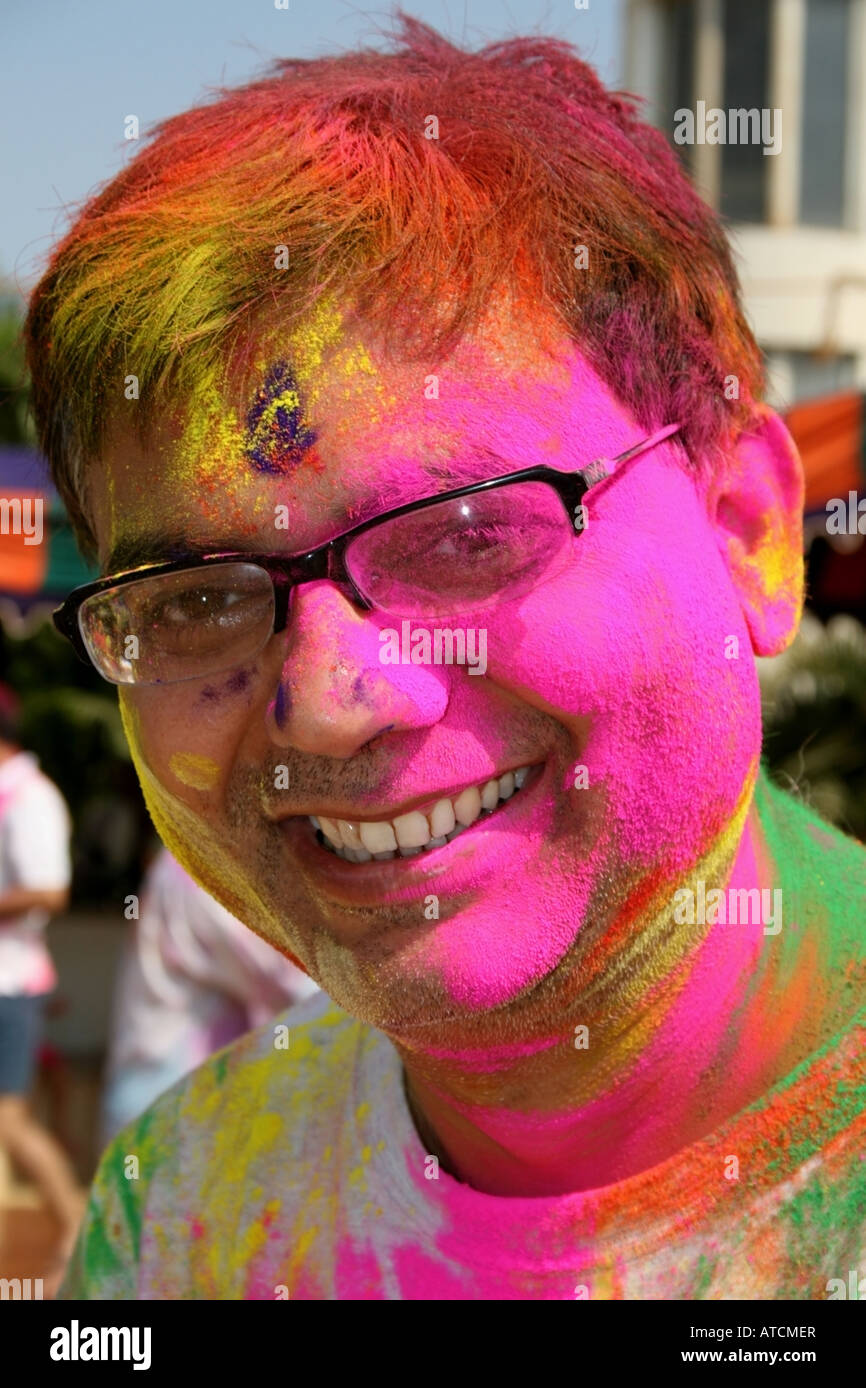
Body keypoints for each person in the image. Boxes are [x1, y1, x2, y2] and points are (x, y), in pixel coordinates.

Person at [24, 17, 866, 1299]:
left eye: (467, 531)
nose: (324, 703)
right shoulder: (179, 1220)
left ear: (743, 530)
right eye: (195, 598)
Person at [101, 847, 319, 1141]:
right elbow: (286, 978)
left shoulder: (182, 864)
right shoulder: (199, 872)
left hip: (163, 1089)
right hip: (176, 1098)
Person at [0, 682, 82, 1272]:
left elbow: (51, 890)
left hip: (13, 985)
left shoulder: (30, 797)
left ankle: (73, 1219)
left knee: (10, 1123)